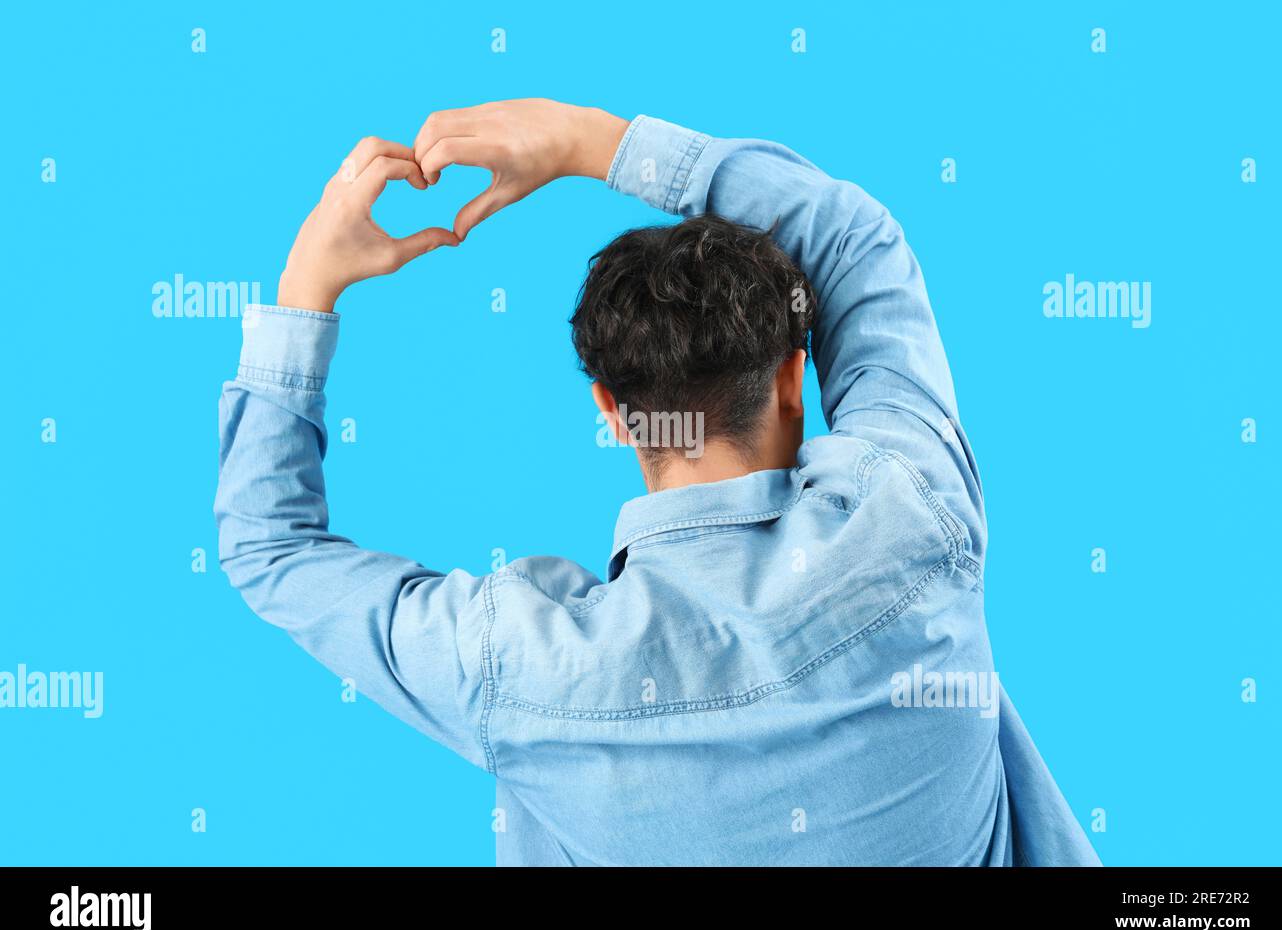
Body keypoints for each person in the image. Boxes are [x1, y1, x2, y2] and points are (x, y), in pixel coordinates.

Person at [214, 99, 1100, 866]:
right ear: (796, 376)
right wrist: (588, 140)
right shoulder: (913, 520)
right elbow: (853, 239)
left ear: (611, 409)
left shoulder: (524, 669)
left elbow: (269, 547)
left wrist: (307, 286)